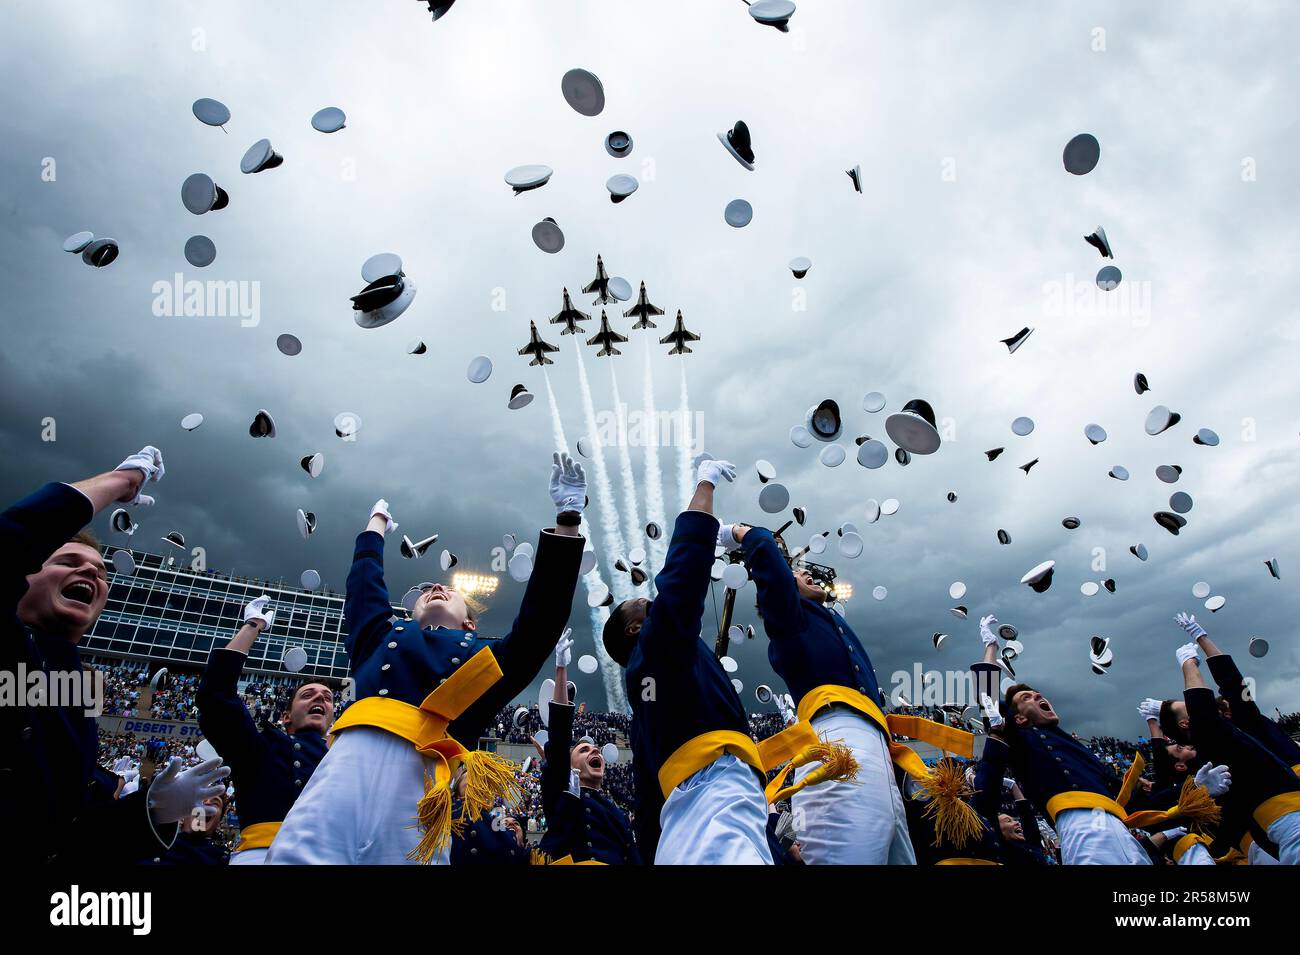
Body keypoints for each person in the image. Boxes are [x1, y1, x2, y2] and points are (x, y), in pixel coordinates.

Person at [267, 453, 586, 865]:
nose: (436, 586)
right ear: (409, 614)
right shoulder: (382, 635)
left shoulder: (480, 657)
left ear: (470, 626)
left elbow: (539, 625)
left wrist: (567, 520)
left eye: (449, 592)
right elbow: (364, 585)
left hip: (423, 784)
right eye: (426, 591)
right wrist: (376, 524)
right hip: (346, 763)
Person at [602, 457, 853, 864]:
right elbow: (682, 579)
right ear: (635, 630)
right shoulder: (656, 647)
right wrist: (706, 484)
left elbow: (648, 810)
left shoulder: (646, 705)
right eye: (643, 605)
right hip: (714, 791)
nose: (652, 601)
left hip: (689, 822)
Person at [2, 447, 229, 865]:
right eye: (68, 561)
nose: (91, 572)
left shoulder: (74, 683)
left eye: (102, 572)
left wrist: (151, 812)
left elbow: (66, 838)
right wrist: (118, 483)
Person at [729, 521, 968, 864]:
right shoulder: (790, 621)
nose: (808, 575)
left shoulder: (825, 621)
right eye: (797, 576)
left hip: (876, 752)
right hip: (837, 745)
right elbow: (773, 577)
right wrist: (745, 533)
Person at [973, 614, 1159, 864]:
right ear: (1018, 719)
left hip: (1120, 828)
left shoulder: (1080, 750)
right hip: (1080, 827)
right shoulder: (1021, 739)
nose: (1037, 695)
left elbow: (1134, 798)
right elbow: (986, 694)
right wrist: (991, 646)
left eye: (1037, 693)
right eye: (1026, 698)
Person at [196, 595, 333, 864]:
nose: (319, 699)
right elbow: (216, 696)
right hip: (260, 855)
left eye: (327, 697)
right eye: (307, 695)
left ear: (332, 720)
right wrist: (253, 625)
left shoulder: (343, 758)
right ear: (285, 716)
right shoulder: (260, 748)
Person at [1173, 618, 1300, 864]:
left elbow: (1232, 683)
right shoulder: (1216, 751)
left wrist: (1201, 637)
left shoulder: (1251, 725)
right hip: (1282, 826)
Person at [538, 630, 639, 864]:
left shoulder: (617, 814)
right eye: (583, 750)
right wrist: (561, 669)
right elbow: (560, 734)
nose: (595, 750)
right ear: (569, 764)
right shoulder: (560, 793)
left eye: (596, 750)